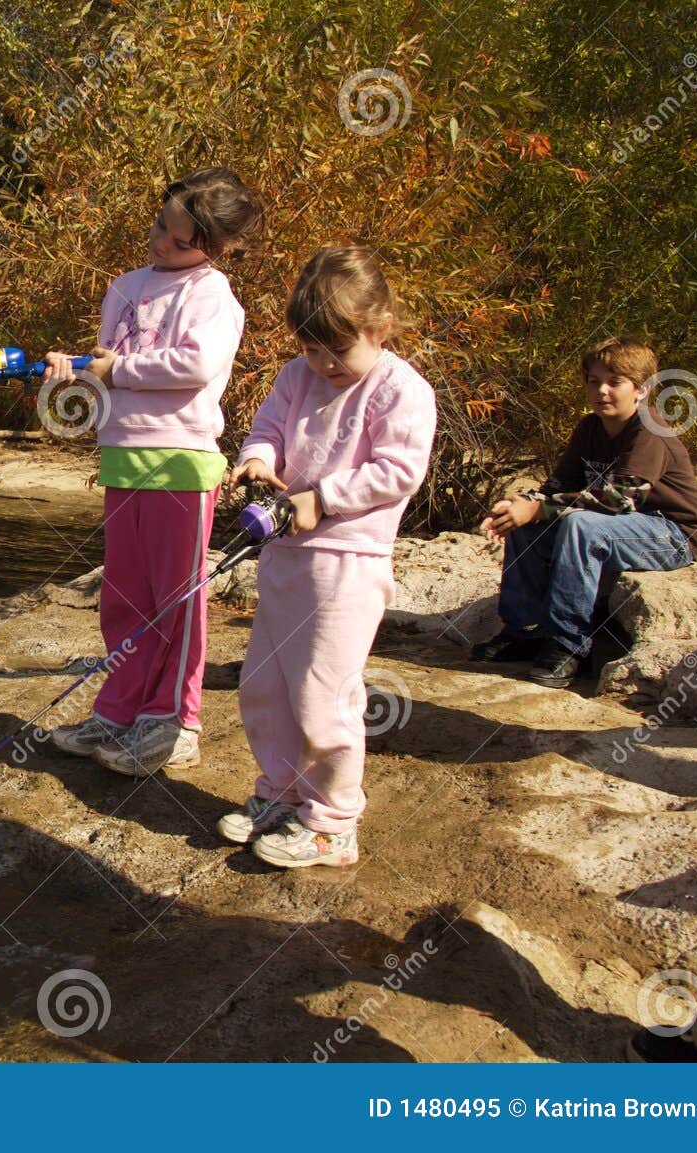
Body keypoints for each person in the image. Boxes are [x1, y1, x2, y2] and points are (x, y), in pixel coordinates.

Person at [42, 167, 263, 777]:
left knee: (176, 603)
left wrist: (118, 368)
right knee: (123, 599)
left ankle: (175, 721)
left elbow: (194, 363)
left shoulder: (213, 294)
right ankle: (118, 710)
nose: (162, 241)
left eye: (180, 238)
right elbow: (105, 366)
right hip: (122, 458)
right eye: (160, 225)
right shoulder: (123, 286)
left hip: (182, 465)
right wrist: (74, 367)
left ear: (219, 249)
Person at [225, 247, 436, 868]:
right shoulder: (297, 376)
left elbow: (399, 470)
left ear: (381, 328)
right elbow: (266, 429)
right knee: (265, 685)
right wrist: (258, 461)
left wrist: (326, 497)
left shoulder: (401, 388)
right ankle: (282, 795)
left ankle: (333, 821)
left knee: (323, 694)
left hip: (348, 562)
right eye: (313, 349)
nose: (323, 363)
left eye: (338, 351)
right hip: (286, 556)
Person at [471, 336, 697, 686]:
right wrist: (520, 504)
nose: (602, 391)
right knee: (526, 526)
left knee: (580, 525)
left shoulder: (649, 430)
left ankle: (569, 645)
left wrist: (539, 508)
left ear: (641, 390)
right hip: (622, 526)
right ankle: (525, 630)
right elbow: (556, 486)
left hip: (672, 533)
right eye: (594, 381)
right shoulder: (589, 428)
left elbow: (619, 501)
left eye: (615, 382)